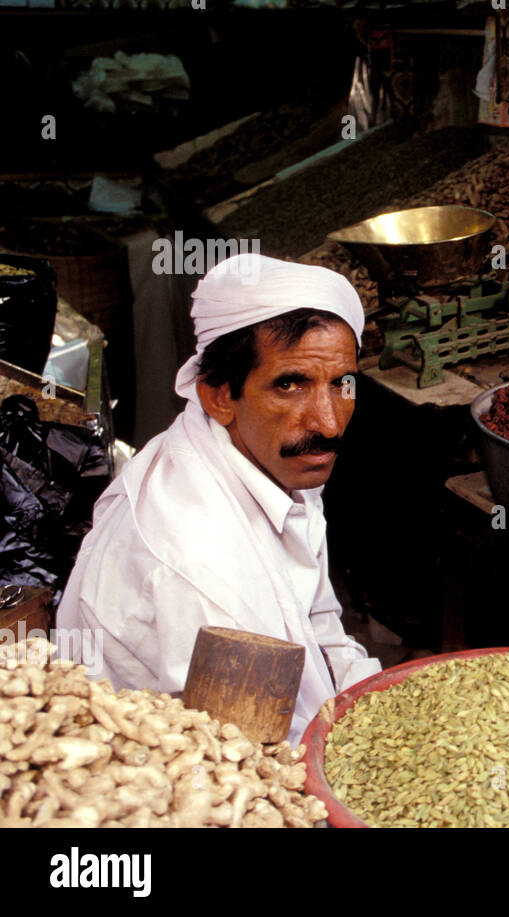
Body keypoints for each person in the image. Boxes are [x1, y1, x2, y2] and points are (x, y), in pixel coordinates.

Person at [57, 254, 381, 742]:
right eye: (290, 385)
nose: (328, 423)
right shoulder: (197, 570)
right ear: (219, 396)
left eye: (342, 384)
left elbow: (319, 623)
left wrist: (378, 695)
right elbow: (248, 757)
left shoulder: (271, 457)